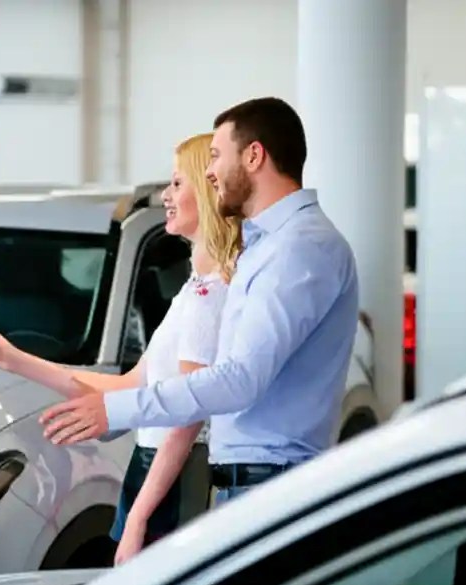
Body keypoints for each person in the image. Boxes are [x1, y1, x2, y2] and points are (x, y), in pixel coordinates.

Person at [38, 96, 359, 505]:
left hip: (269, 487)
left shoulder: (299, 248)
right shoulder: (269, 246)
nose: (209, 172)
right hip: (254, 483)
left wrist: (115, 410)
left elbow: (239, 380)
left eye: (216, 156)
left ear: (254, 156)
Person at [0, 133, 239, 563]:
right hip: (157, 471)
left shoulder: (210, 296)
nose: (167, 197)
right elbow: (129, 386)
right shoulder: (195, 292)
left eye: (176, 184)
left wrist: (137, 521)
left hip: (174, 476)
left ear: (206, 192)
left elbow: (186, 417)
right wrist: (14, 360)